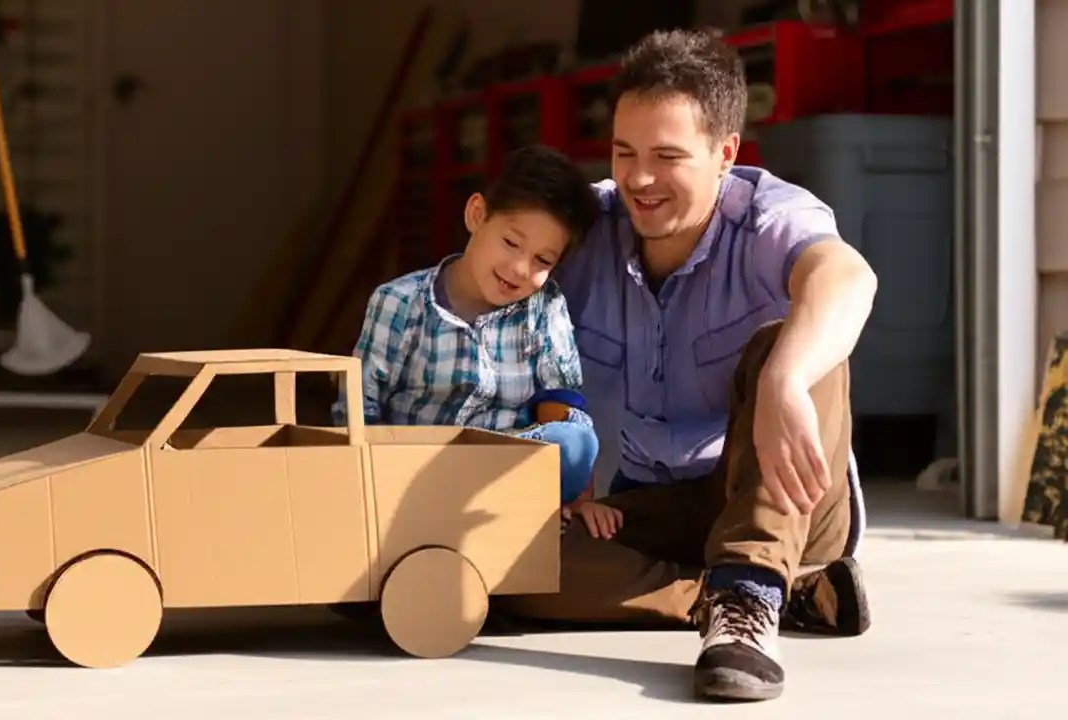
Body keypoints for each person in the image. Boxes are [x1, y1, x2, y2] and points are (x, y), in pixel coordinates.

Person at [497, 30, 880, 702]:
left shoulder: (767, 217)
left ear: (725, 153)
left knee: (795, 341)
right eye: (624, 153)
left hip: (789, 492)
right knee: (497, 566)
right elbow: (488, 294)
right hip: (657, 504)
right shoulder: (589, 227)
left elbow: (848, 277)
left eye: (667, 156)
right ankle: (741, 591)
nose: (639, 179)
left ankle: (751, 599)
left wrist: (784, 379)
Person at [334, 144, 602, 507]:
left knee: (577, 442)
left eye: (542, 260)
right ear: (477, 214)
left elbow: (558, 403)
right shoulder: (398, 302)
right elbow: (359, 409)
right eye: (511, 243)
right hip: (407, 480)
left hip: (503, 480)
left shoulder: (545, 304)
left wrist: (578, 489)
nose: (520, 269)